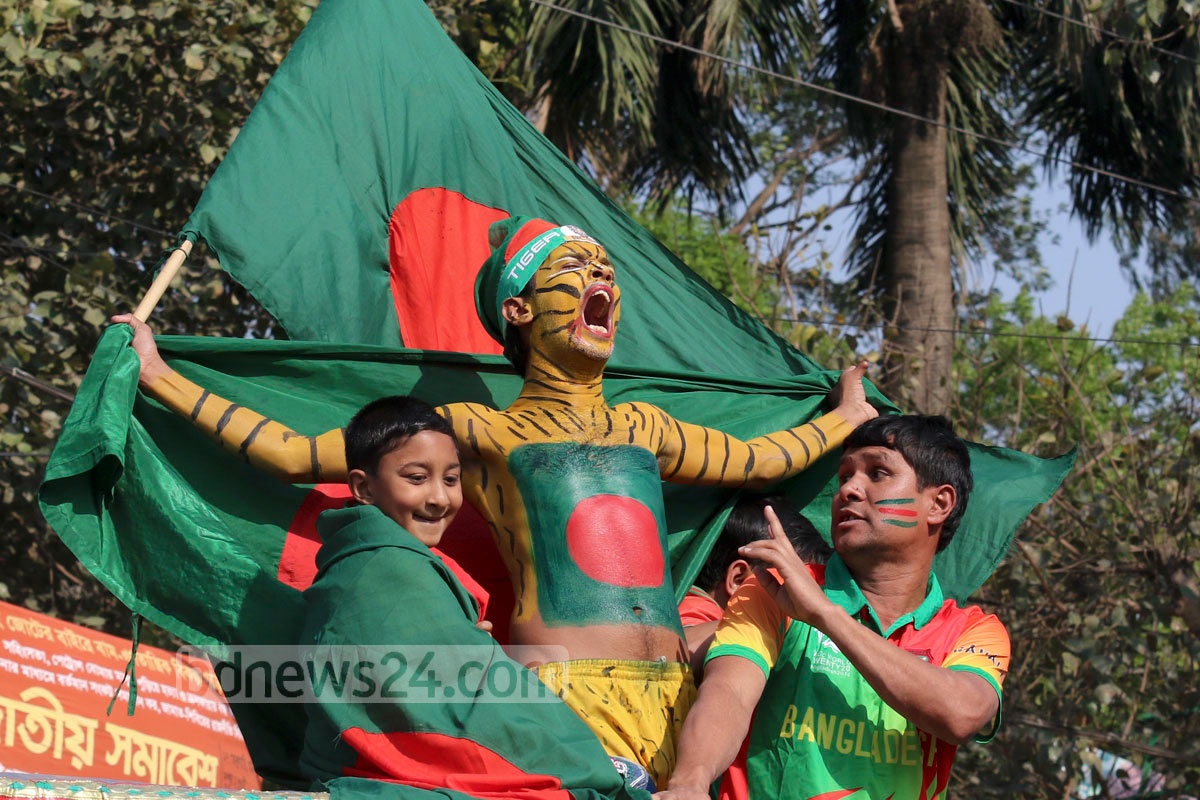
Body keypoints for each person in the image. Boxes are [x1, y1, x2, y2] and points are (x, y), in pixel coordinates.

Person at [110, 215, 879, 785]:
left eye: (604, 267)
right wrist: (159, 377)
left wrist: (844, 420)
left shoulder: (648, 427)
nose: (599, 278)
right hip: (567, 701)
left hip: (682, 704)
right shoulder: (476, 432)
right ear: (519, 311)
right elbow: (289, 453)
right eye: (572, 270)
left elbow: (759, 458)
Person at [299, 395, 643, 800]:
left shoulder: (394, 562)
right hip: (385, 767)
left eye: (450, 479)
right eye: (415, 478)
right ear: (363, 487)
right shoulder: (381, 569)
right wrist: (585, 763)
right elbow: (463, 704)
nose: (440, 498)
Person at [657, 415, 1010, 800]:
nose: (850, 490)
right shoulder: (776, 588)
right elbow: (730, 692)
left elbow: (962, 714)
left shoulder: (973, 631)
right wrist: (689, 783)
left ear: (939, 503)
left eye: (878, 473)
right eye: (844, 477)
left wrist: (825, 615)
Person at [677, 495, 831, 800]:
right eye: (788, 584)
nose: (800, 600)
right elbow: (668, 649)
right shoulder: (698, 611)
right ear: (737, 578)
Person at [680, 494, 831, 675]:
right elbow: (674, 650)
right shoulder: (694, 612)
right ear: (738, 579)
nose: (801, 602)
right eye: (789, 588)